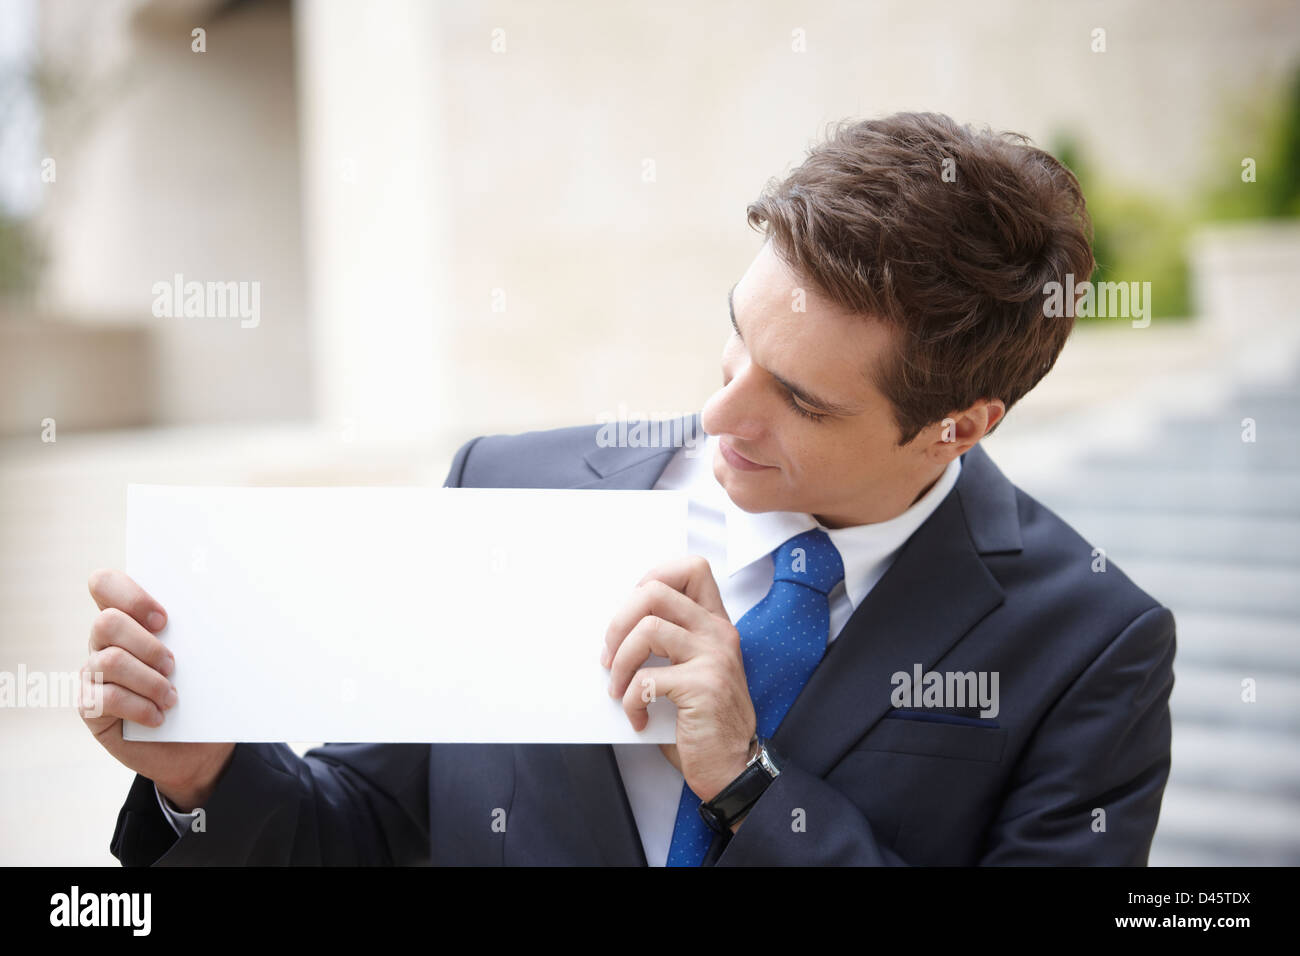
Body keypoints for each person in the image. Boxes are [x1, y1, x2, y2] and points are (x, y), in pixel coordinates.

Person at [84, 112, 1175, 866]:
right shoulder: (511, 487)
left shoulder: (1090, 644)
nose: (716, 418)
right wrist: (206, 777)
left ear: (960, 425)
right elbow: (358, 829)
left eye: (798, 400)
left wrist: (747, 783)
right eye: (735, 339)